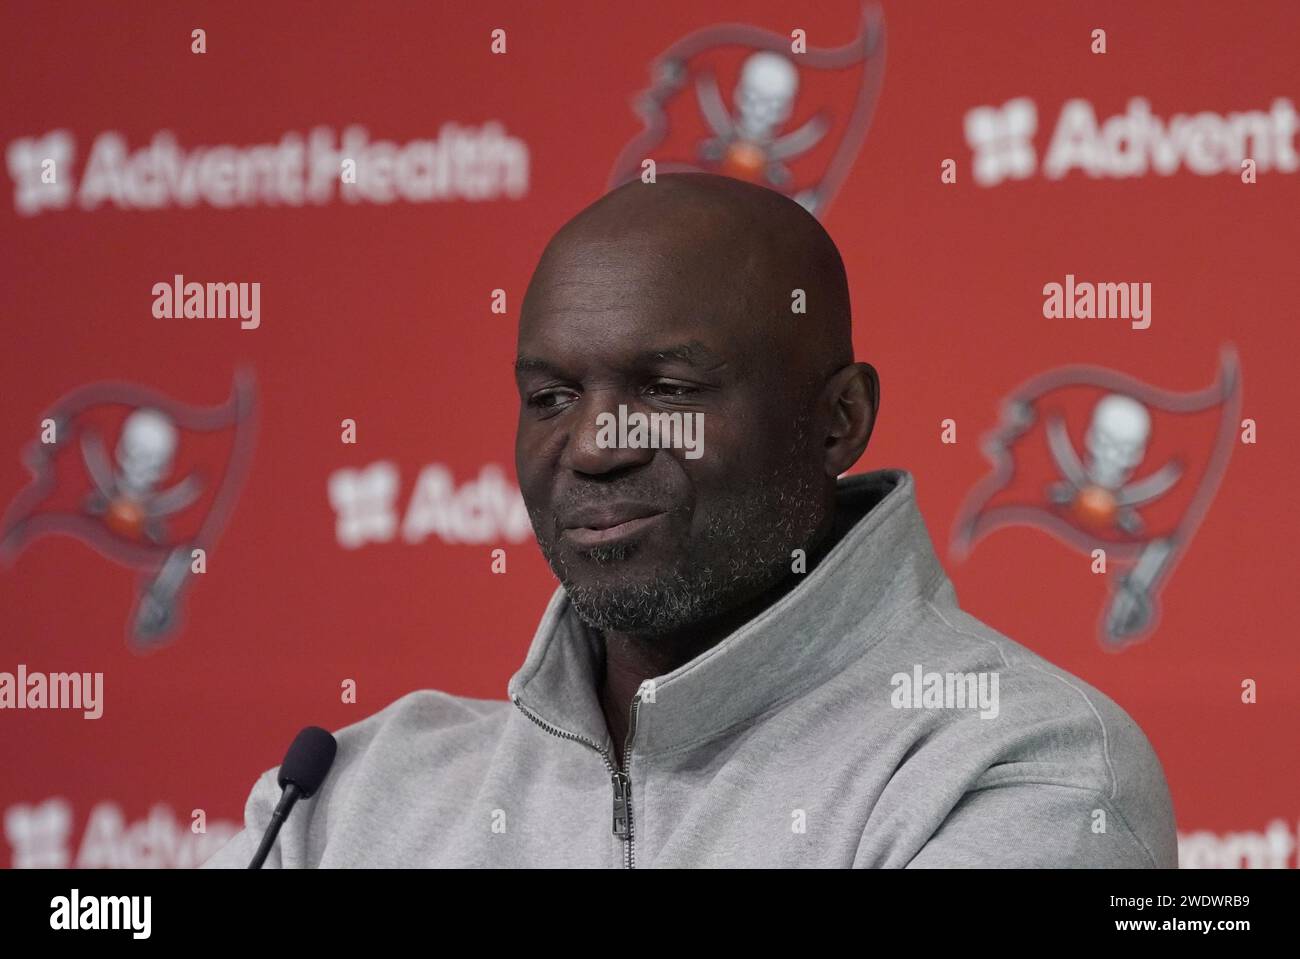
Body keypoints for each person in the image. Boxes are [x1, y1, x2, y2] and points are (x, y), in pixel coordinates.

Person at [203, 173, 1177, 868]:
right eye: (549, 396)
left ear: (838, 418)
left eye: (666, 387)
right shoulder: (346, 796)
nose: (593, 445)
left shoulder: (1013, 763)